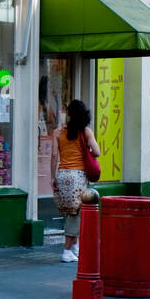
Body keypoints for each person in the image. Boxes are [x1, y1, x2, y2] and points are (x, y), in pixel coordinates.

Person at [50, 99, 101, 263]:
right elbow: (97, 152)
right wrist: (87, 152)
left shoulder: (57, 132)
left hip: (63, 174)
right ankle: (66, 250)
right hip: (78, 176)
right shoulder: (85, 131)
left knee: (70, 211)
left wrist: (53, 176)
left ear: (69, 114)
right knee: (76, 213)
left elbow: (53, 156)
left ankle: (75, 247)